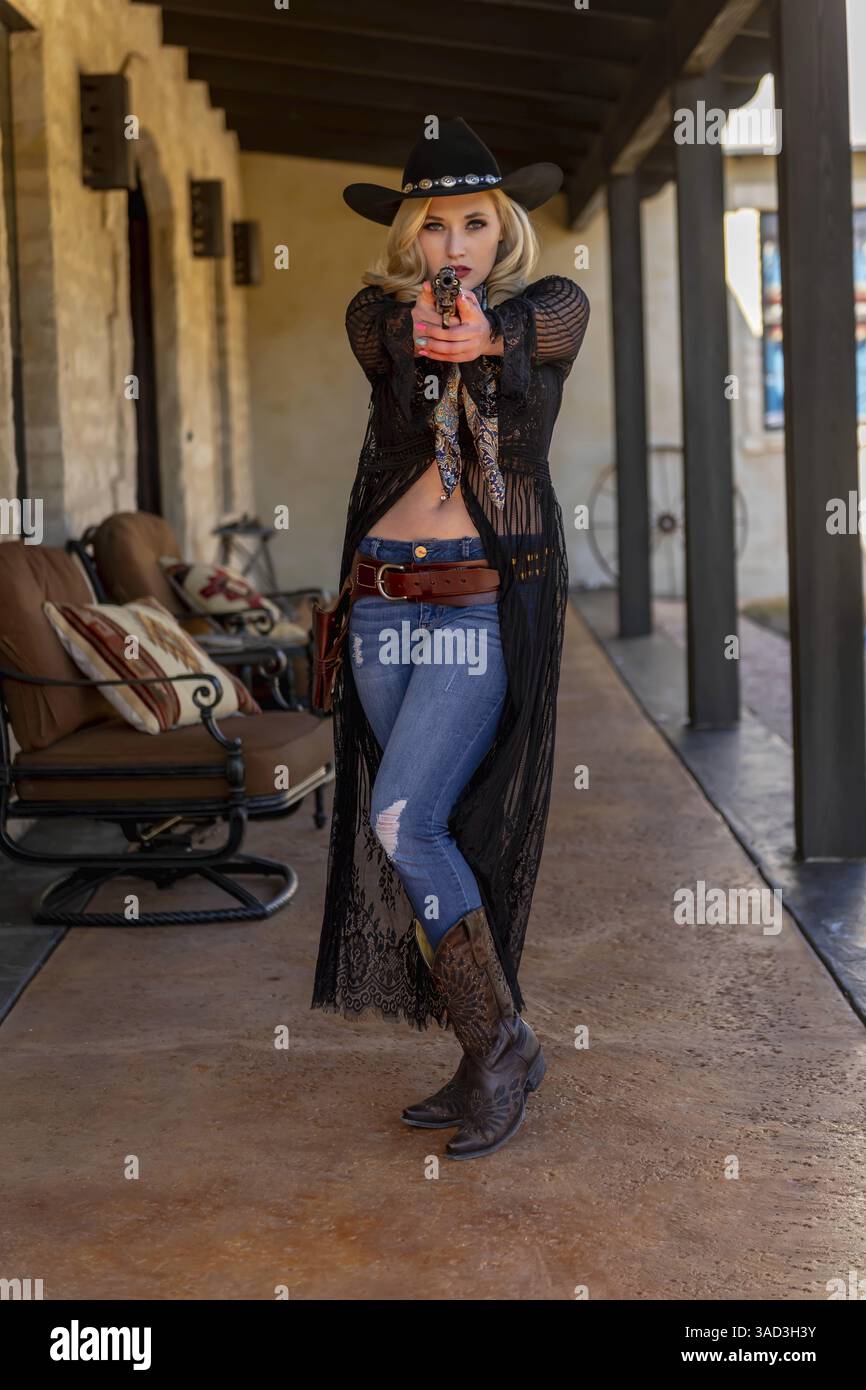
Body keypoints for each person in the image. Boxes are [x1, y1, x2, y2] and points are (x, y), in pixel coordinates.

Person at [311, 116, 590, 1160]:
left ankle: (503, 1042)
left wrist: (486, 335)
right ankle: (486, 1053)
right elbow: (410, 355)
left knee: (401, 817)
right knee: (432, 833)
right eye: (435, 227)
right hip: (383, 601)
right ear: (409, 241)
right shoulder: (375, 320)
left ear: (502, 226)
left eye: (475, 221)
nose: (456, 242)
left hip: (478, 604)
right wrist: (441, 334)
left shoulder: (546, 309)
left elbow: (533, 331)